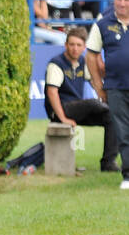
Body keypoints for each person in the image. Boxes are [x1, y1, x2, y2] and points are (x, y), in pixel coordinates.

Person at [45, 28, 121, 173]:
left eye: (79, 45)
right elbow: (52, 92)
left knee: (112, 117)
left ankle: (108, 163)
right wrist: (63, 118)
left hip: (77, 110)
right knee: (93, 103)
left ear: (84, 47)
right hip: (60, 110)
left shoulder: (82, 62)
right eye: (72, 44)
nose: (75, 48)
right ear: (65, 45)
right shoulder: (56, 63)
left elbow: (96, 83)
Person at [84, 0, 129, 189]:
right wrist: (98, 85)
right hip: (116, 86)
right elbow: (91, 55)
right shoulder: (102, 24)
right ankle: (128, 175)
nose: (122, 3)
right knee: (122, 130)